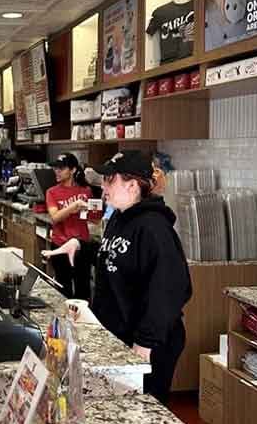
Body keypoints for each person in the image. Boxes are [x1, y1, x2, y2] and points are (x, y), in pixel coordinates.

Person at [91, 150, 192, 403]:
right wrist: (80, 247)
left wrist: (144, 343)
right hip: (119, 335)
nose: (103, 186)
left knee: (141, 417)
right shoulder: (119, 217)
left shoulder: (154, 228)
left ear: (133, 185)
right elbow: (117, 256)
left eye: (109, 180)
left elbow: (171, 288)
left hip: (148, 343)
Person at [43, 153, 94, 300]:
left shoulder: (86, 191)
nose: (57, 171)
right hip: (60, 245)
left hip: (81, 246)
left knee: (83, 289)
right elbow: (55, 217)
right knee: (62, 289)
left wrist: (94, 209)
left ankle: (82, 321)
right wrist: (74, 206)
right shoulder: (51, 192)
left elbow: (93, 219)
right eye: (55, 168)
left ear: (73, 170)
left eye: (61, 168)